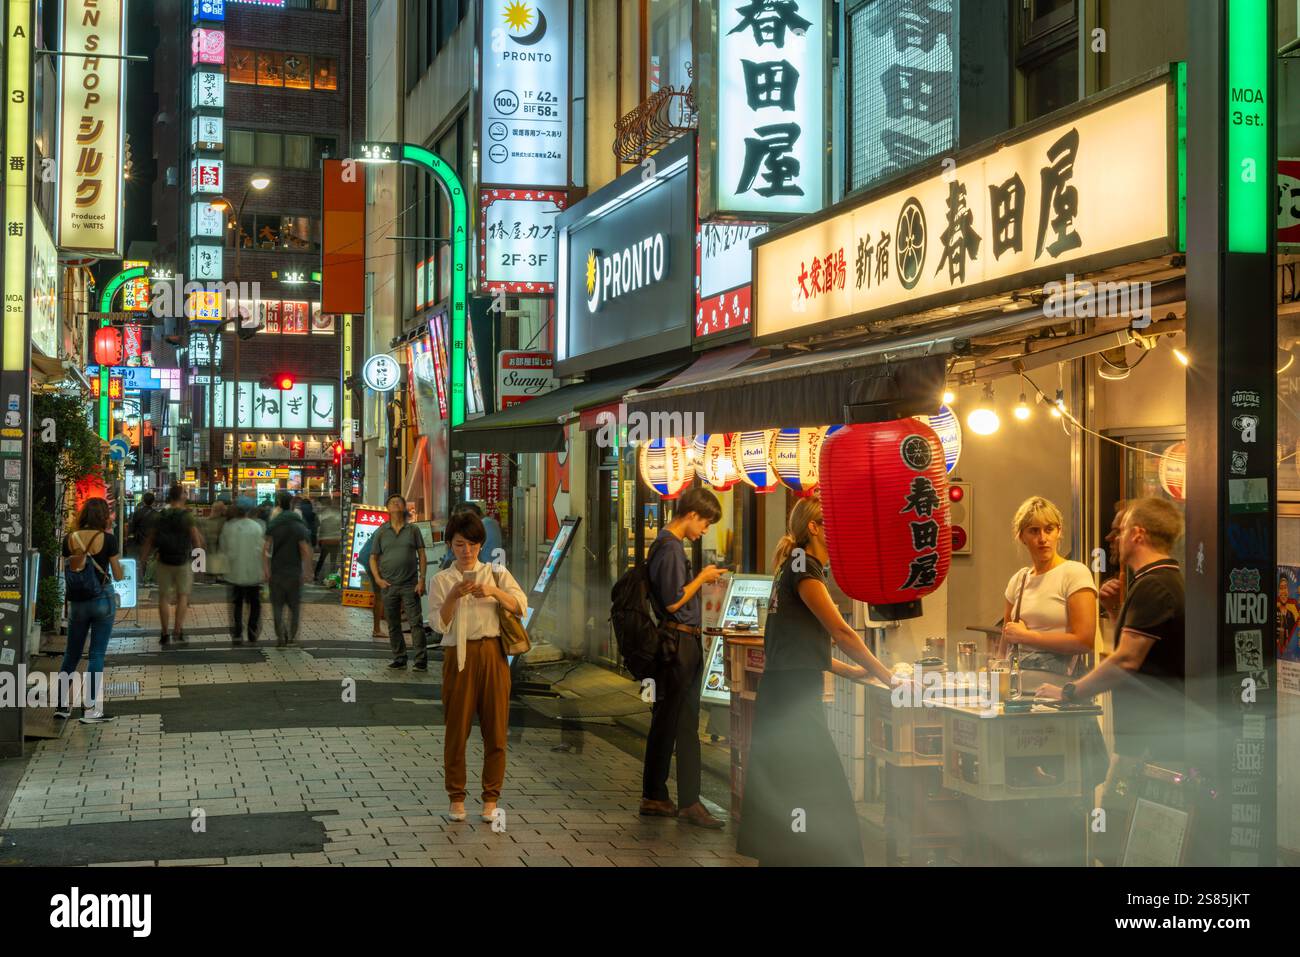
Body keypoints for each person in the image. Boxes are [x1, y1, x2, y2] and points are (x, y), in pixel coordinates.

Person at [737, 496, 895, 866]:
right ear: (814, 527)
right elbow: (840, 631)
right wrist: (888, 676)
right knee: (821, 789)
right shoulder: (804, 567)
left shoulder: (791, 566)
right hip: (793, 701)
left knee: (791, 785)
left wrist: (853, 671)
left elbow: (797, 644)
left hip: (784, 695)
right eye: (833, 523)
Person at [1037, 498, 1185, 866]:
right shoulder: (1149, 582)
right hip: (1147, 733)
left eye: (1120, 531)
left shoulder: (1156, 585)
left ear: (1138, 534)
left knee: (1123, 828)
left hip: (1154, 735)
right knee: (1120, 824)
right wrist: (1115, 611)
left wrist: (1070, 691)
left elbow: (1127, 659)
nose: (1112, 538)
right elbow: (1140, 651)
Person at [429, 509, 528, 822]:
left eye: (472, 544)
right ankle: (456, 797)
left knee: (496, 730)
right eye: (459, 544)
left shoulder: (496, 573)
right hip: (457, 657)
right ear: (450, 545)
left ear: (481, 544)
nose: (466, 551)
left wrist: (493, 592)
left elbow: (520, 606)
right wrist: (453, 597)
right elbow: (437, 625)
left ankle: (491, 797)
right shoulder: (442, 580)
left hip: (493, 654)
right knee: (456, 730)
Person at [641, 486, 727, 828]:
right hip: (679, 643)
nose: (705, 530)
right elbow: (675, 600)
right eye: (705, 522)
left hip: (679, 643)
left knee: (676, 721)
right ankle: (675, 798)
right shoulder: (671, 548)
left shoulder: (667, 545)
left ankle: (666, 796)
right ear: (691, 514)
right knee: (678, 722)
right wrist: (703, 578)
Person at [995, 496, 1098, 688]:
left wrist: (1027, 637)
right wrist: (995, 678)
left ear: (1059, 531)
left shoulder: (1074, 573)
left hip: (1058, 694)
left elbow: (1084, 641)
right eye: (1034, 531)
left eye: (1049, 529)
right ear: (1022, 537)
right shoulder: (1019, 579)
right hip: (1018, 692)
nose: (1043, 538)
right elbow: (1006, 641)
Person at [57, 497, 124, 724]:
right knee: (96, 655)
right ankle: (91, 709)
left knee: (71, 654)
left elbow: (71, 568)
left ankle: (62, 706)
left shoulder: (69, 539)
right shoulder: (108, 540)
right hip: (102, 599)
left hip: (77, 602)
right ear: (103, 516)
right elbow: (118, 574)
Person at [370, 494, 428, 670]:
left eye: (398, 502)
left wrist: (422, 579)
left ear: (403, 508)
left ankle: (420, 660)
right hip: (388, 585)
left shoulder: (413, 530)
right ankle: (399, 657)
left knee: (415, 622)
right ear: (387, 508)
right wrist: (378, 579)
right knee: (393, 623)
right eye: (391, 502)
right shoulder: (381, 531)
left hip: (410, 584)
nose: (394, 504)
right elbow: (373, 558)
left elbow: (422, 555)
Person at [141, 484, 204, 645]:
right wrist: (199, 562)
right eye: (185, 492)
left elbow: (151, 538)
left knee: (164, 597)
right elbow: (196, 540)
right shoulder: (187, 516)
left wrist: (144, 558)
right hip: (182, 561)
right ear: (181, 496)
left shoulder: (160, 516)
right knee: (182, 596)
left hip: (164, 561)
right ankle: (177, 630)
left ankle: (164, 633)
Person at [264, 491, 312, 646]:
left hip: (277, 572)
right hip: (294, 572)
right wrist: (307, 571)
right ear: (292, 504)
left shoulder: (273, 525)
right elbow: (304, 550)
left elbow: (265, 549)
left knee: (277, 606)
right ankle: (291, 636)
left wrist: (266, 569)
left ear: (278, 504)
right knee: (294, 607)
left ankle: (280, 636)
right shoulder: (298, 525)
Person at [220, 499, 266, 643]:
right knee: (254, 603)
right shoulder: (257, 527)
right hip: (254, 572)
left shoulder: (228, 527)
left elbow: (224, 548)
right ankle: (252, 630)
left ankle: (238, 633)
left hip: (234, 573)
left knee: (237, 604)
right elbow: (263, 550)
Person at [357, 527, 386, 638]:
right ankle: (377, 629)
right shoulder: (389, 529)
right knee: (380, 595)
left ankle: (377, 628)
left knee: (380, 595)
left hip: (368, 558)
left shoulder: (387, 526)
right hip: (371, 560)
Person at [126, 492, 159, 585]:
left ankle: (141, 580)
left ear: (143, 501)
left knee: (141, 560)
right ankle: (148, 579)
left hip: (140, 540)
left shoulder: (137, 513)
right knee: (151, 560)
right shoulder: (157, 515)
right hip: (153, 541)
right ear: (153, 502)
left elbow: (132, 527)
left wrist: (129, 538)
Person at [314, 497, 342, 582]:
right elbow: (339, 528)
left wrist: (319, 540)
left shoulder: (324, 513)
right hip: (335, 540)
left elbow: (321, 528)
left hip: (326, 541)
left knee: (322, 559)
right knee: (333, 560)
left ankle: (316, 574)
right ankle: (332, 577)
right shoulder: (338, 514)